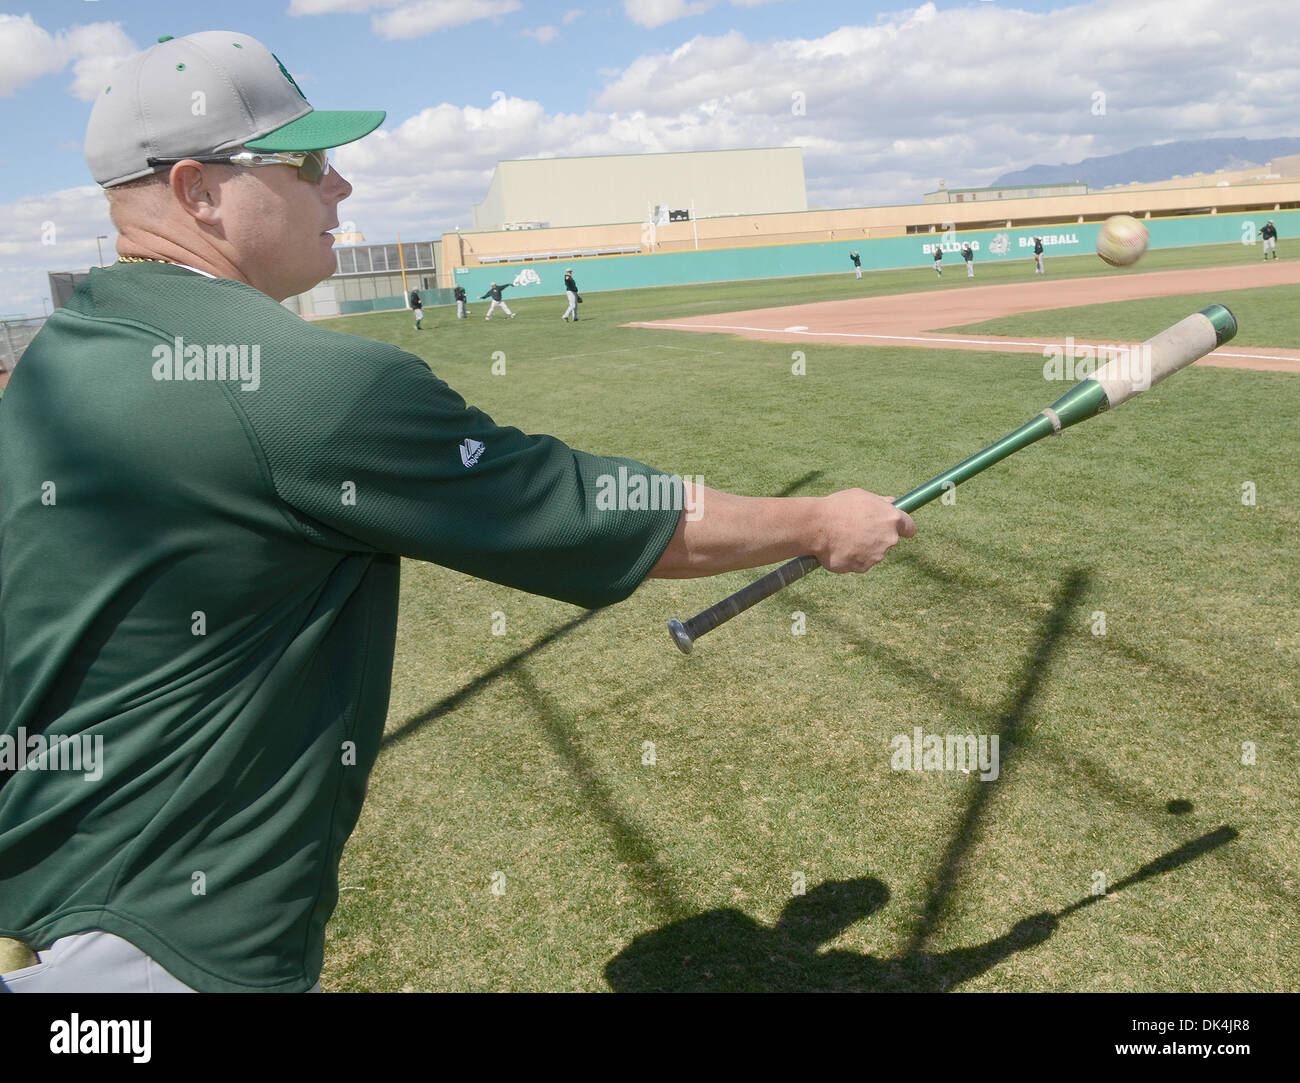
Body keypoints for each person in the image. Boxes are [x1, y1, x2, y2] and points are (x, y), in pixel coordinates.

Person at [0, 30, 915, 994]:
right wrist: (818, 522)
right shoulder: (305, 386)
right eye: (307, 162)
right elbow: (586, 511)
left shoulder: (55, 361)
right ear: (197, 192)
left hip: (54, 870)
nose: (340, 186)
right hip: (180, 936)